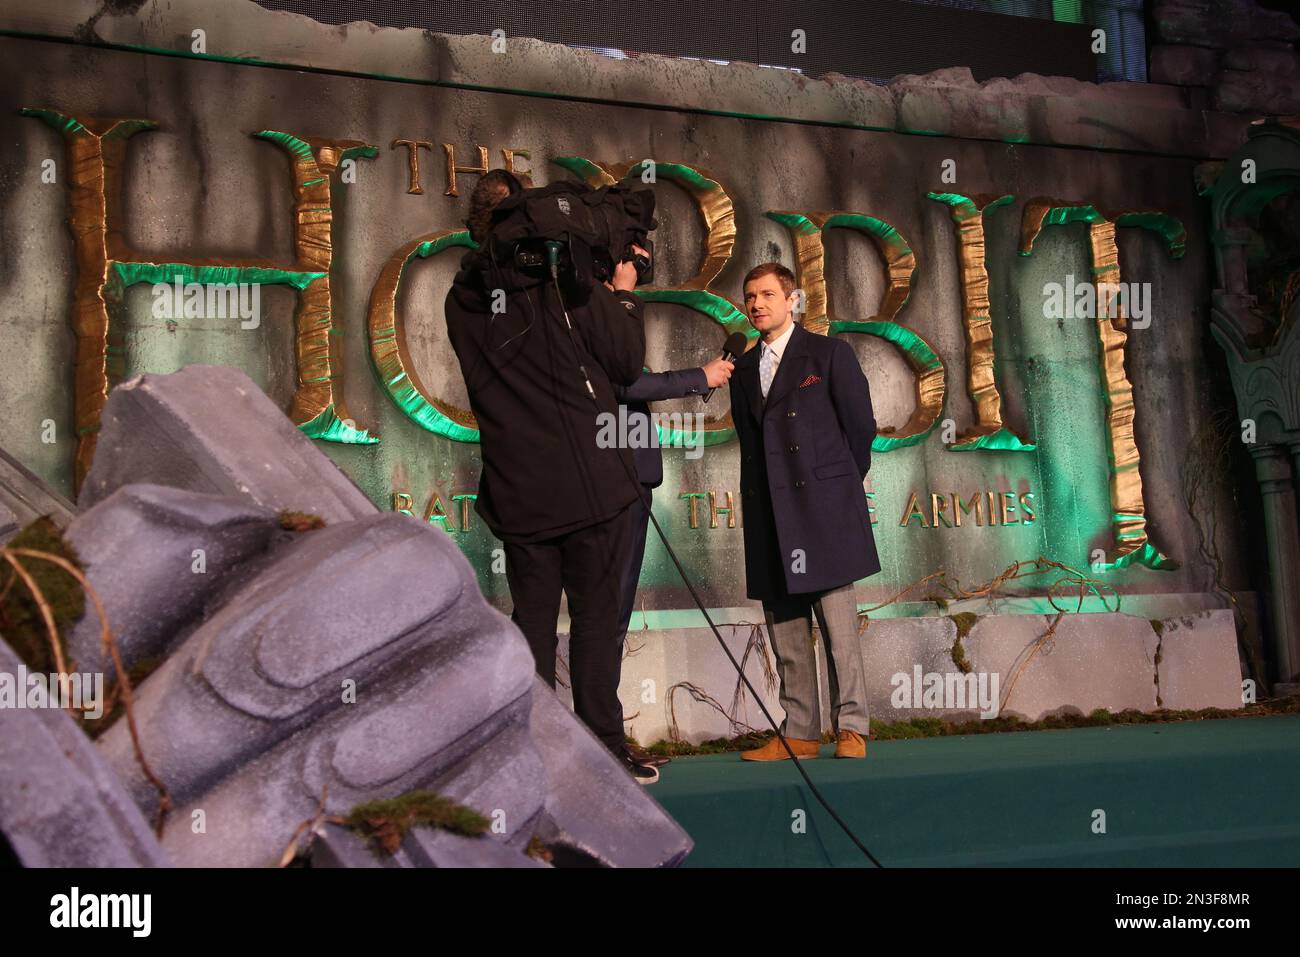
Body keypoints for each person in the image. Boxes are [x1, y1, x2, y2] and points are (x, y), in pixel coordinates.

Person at [444, 169, 659, 783]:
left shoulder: (462, 295)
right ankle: (603, 749)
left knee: (532, 620)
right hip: (591, 483)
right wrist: (621, 289)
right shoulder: (563, 282)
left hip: (519, 492)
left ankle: (534, 749)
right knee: (595, 618)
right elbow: (623, 361)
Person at [727, 262, 880, 761]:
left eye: (768, 294)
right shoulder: (744, 368)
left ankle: (852, 727)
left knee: (839, 629)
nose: (757, 304)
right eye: (750, 296)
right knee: (787, 632)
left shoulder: (829, 353)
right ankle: (800, 732)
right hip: (771, 514)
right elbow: (752, 445)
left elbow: (860, 430)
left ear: (793, 300)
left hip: (824, 511)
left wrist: (835, 489)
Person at [611, 348, 735, 768]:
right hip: (611, 485)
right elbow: (630, 383)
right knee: (606, 618)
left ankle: (606, 737)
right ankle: (602, 740)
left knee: (615, 616)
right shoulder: (589, 322)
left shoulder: (610, 329)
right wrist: (699, 375)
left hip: (632, 485)